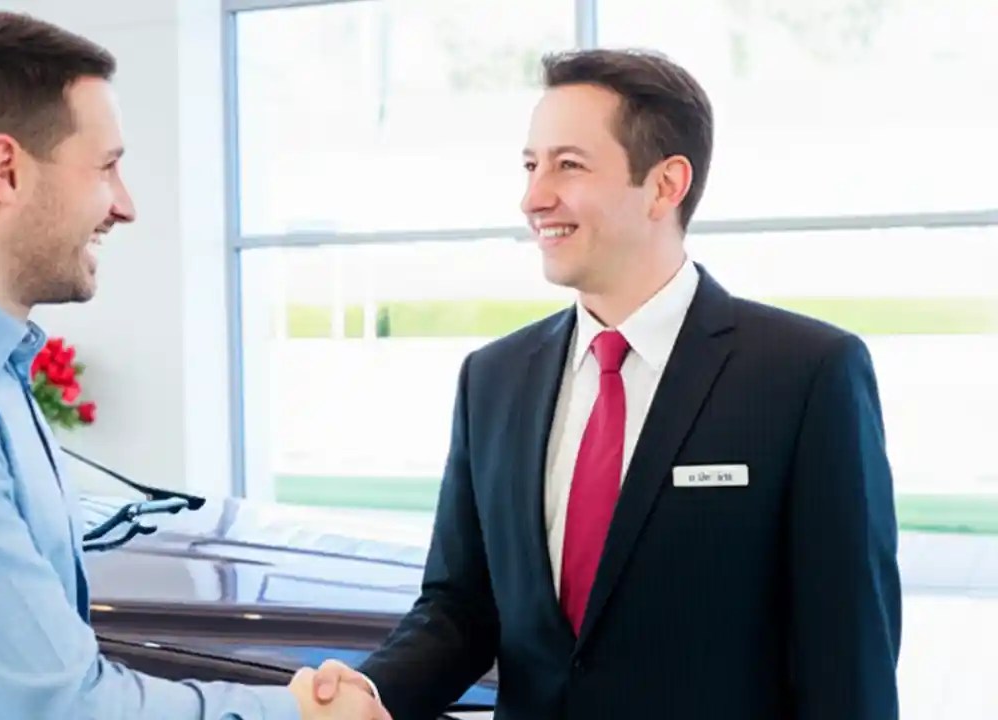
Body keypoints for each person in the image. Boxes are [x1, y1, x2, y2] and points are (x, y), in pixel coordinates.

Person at [0, 11, 384, 720]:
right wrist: (302, 713)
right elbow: (65, 705)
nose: (123, 206)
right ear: (6, 170)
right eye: (106, 167)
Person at [311, 48, 901, 718]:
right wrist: (375, 691)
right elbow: (461, 607)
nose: (534, 198)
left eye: (568, 165)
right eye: (531, 166)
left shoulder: (805, 374)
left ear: (664, 185)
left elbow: (848, 656)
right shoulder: (494, 380)